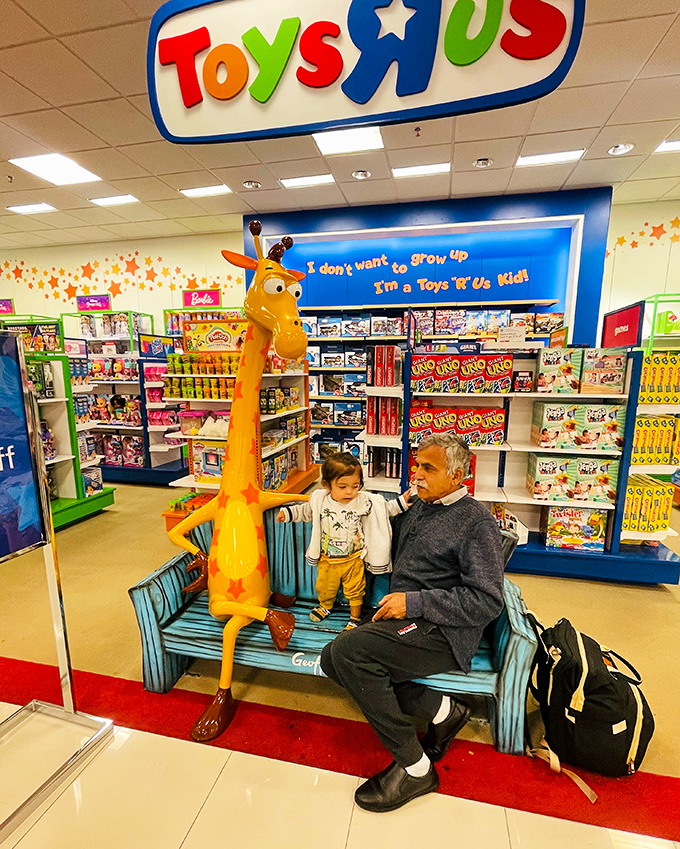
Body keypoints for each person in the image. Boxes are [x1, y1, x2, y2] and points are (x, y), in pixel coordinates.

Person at [320, 433, 505, 813]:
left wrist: (414, 603)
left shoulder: (476, 523)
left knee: (349, 653)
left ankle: (417, 768)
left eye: (427, 468)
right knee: (330, 659)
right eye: (416, 465)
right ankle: (443, 711)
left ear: (457, 476)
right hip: (405, 618)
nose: (416, 475)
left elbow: (487, 600)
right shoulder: (422, 504)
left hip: (444, 631)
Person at [277, 452, 410, 629]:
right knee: (324, 587)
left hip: (354, 560)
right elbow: (306, 511)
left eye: (355, 486)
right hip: (327, 559)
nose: (350, 492)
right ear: (327, 485)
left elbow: (383, 508)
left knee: (355, 590)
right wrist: (287, 514)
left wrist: (401, 503)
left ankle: (355, 617)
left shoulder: (362, 501)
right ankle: (325, 606)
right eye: (342, 486)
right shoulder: (320, 500)